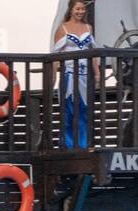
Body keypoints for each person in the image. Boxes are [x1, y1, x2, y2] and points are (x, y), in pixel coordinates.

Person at [53, 1, 99, 148]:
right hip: (69, 75)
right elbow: (55, 56)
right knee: (69, 112)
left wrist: (97, 74)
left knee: (84, 111)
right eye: (77, 9)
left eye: (82, 9)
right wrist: (53, 78)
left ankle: (83, 147)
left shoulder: (88, 28)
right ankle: (68, 148)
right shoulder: (62, 29)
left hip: (85, 76)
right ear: (71, 10)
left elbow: (93, 53)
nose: (80, 12)